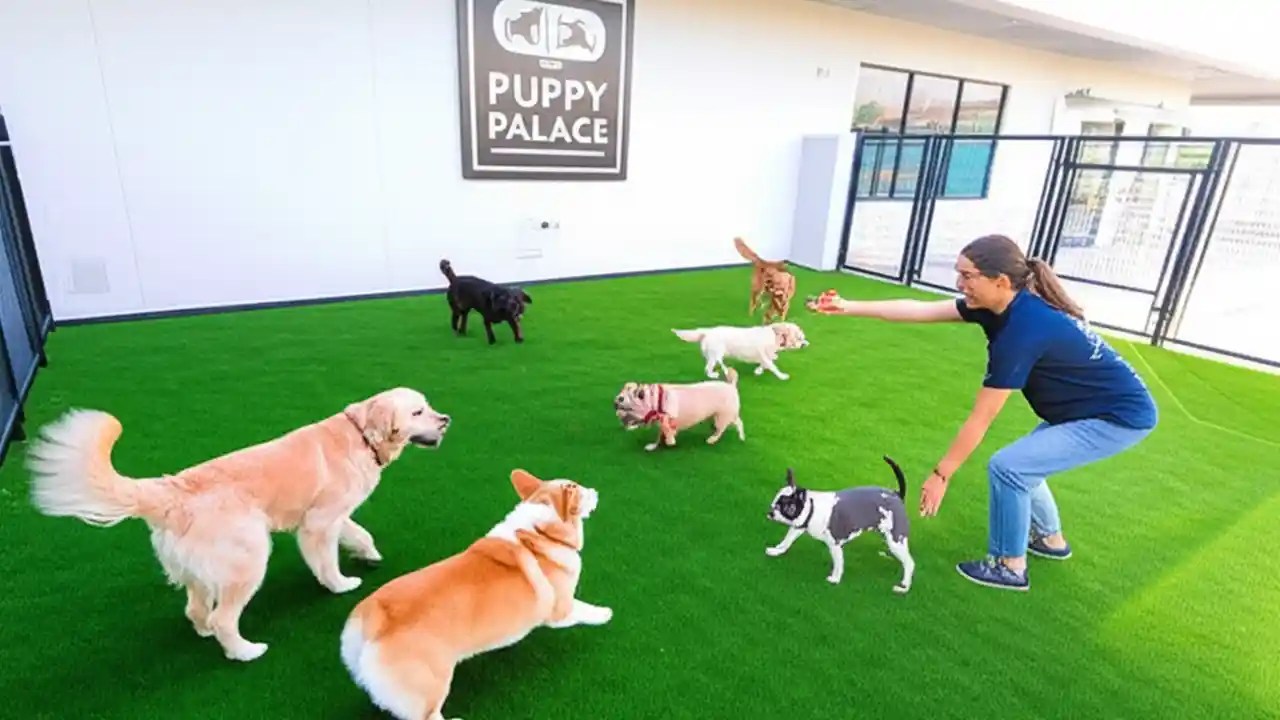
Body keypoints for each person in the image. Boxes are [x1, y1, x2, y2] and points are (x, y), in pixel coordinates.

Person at [808, 234, 1158, 591]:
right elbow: (920, 309)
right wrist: (848, 306)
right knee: (1025, 464)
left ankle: (1010, 566)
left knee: (1010, 467)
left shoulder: (1022, 331)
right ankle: (1051, 541)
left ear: (1000, 281)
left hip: (1115, 418)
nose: (960, 284)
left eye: (967, 275)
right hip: (1085, 407)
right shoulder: (1001, 307)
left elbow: (982, 417)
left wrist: (941, 474)